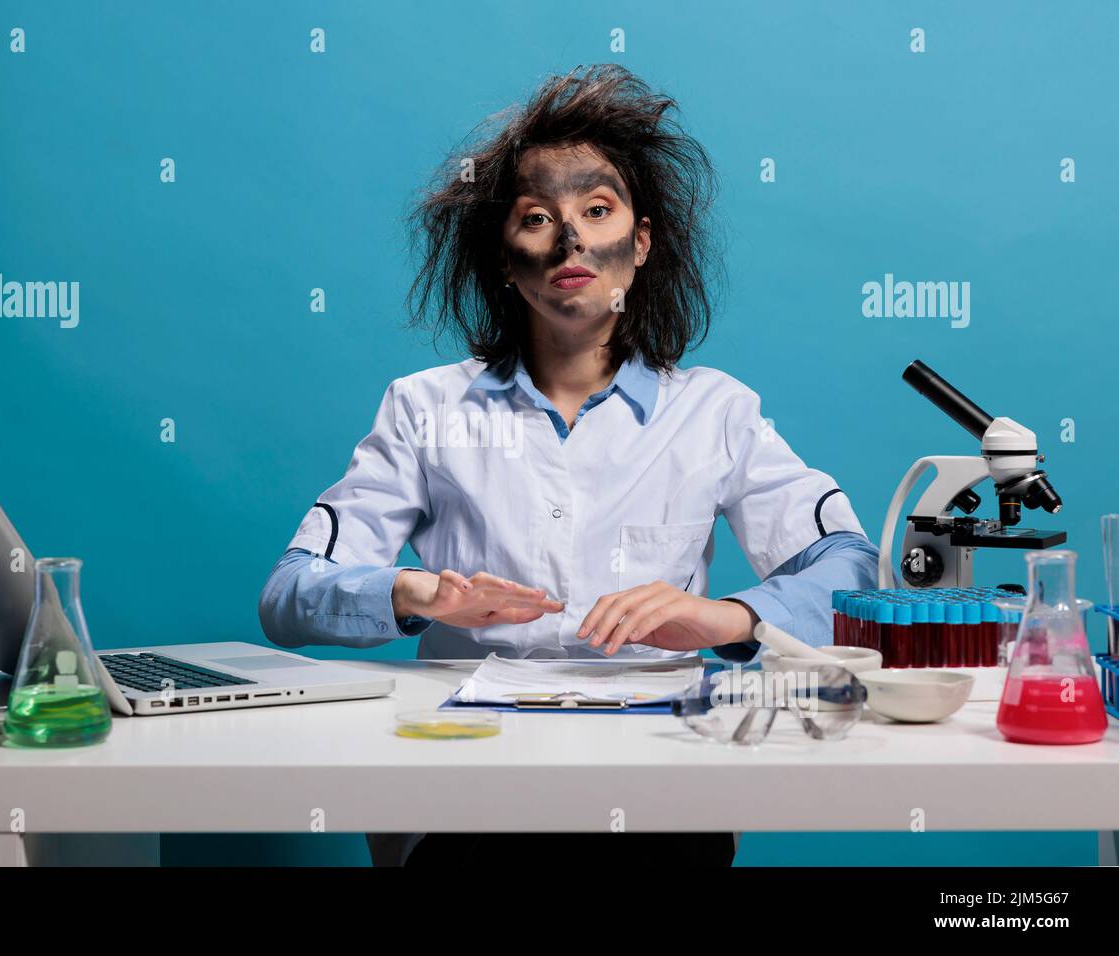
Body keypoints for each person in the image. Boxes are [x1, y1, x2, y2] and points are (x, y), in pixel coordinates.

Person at [259, 64, 879, 867]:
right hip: (466, 796)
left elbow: (854, 572)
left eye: (597, 209)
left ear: (641, 241)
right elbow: (288, 594)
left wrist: (727, 619)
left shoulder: (716, 411)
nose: (571, 239)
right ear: (505, 261)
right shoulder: (424, 408)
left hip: (663, 794)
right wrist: (413, 593)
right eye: (536, 218)